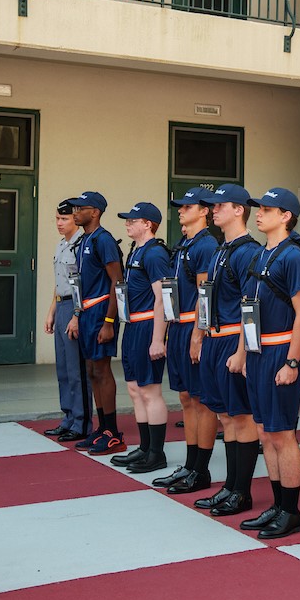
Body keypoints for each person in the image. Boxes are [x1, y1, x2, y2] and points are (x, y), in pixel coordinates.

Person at [229, 188, 300, 539]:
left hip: (281, 351)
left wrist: (292, 361)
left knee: (283, 433)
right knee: (266, 432)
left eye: (267, 209)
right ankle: (278, 505)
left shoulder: (291, 256)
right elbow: (250, 307)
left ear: (286, 217)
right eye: (259, 209)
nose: (259, 214)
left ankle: (291, 511)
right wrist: (246, 352)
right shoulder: (261, 255)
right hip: (258, 352)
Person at [193, 184, 264, 518]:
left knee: (241, 416)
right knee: (225, 416)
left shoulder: (248, 251)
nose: (214, 210)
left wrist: (242, 352)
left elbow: (250, 306)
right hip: (215, 338)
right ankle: (230, 486)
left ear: (239, 210)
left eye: (220, 205)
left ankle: (242, 491)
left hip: (234, 339)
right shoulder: (221, 250)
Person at [157, 188, 222, 494]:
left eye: (187, 206)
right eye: (180, 207)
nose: (181, 211)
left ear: (205, 210)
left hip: (193, 328)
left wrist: (198, 334)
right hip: (179, 326)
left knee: (201, 400)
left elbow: (204, 294)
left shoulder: (206, 245)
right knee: (185, 398)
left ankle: (201, 469)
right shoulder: (185, 243)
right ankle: (190, 463)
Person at [109, 202, 173, 474]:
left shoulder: (155, 253)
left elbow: (162, 298)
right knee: (135, 390)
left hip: (148, 326)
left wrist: (158, 339)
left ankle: (157, 453)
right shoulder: (137, 250)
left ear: (148, 224)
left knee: (150, 390)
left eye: (132, 220)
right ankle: (145, 448)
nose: (127, 224)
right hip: (133, 326)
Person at [64, 191, 126, 455]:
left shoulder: (103, 240)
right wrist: (78, 314)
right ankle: (101, 429)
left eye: (81, 207)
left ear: (95, 212)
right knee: (91, 371)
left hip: (102, 312)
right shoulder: (84, 240)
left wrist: (109, 322)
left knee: (102, 371)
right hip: (87, 313)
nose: (75, 211)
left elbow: (117, 281)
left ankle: (112, 432)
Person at [43, 201, 92, 442]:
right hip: (62, 304)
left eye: (64, 219)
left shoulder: (81, 246)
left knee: (76, 369)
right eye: (57, 219)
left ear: (75, 219)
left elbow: (82, 286)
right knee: (63, 368)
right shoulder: (62, 245)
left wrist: (76, 315)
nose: (60, 224)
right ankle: (68, 418)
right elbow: (59, 283)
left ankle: (82, 421)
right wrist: (51, 311)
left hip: (75, 307)